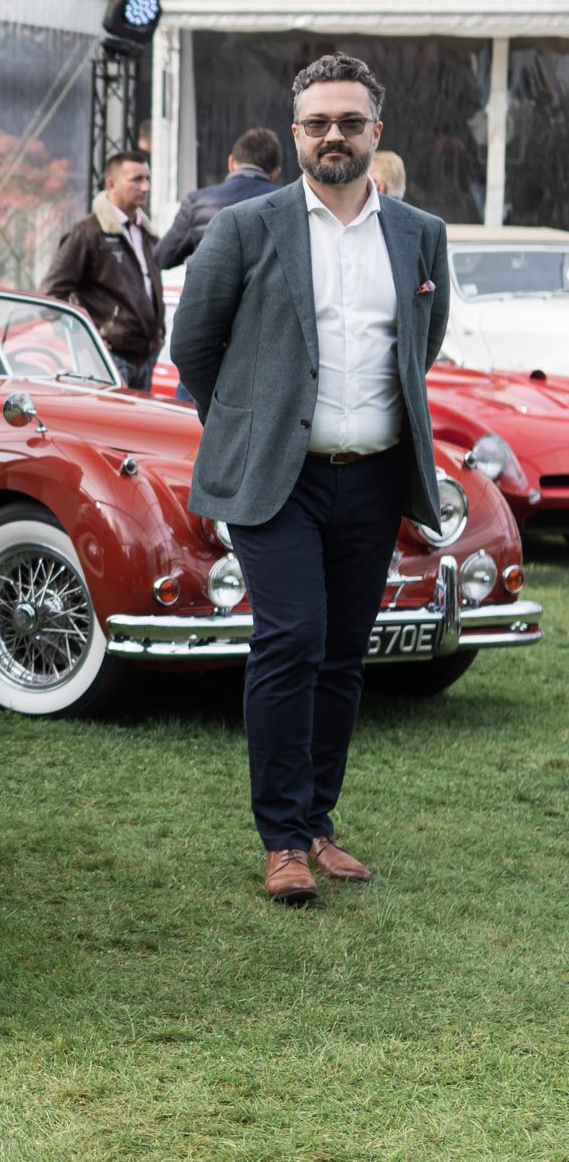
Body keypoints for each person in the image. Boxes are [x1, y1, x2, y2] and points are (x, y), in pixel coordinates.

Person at [171, 53, 449, 905]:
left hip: (371, 479)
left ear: (377, 131)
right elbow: (194, 343)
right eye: (319, 123)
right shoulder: (247, 228)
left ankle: (320, 824)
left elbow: (421, 344)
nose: (335, 135)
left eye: (351, 122)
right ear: (295, 135)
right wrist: (250, 422)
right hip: (275, 481)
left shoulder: (418, 234)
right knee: (291, 638)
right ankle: (282, 838)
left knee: (342, 654)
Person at [42, 149, 162, 390]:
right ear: (111, 183)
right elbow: (51, 296)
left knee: (136, 428)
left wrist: (159, 335)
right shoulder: (87, 233)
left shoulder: (145, 232)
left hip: (145, 356)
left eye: (147, 179)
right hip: (109, 359)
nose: (145, 187)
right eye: (137, 180)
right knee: (115, 427)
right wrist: (84, 339)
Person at [151, 128, 282, 271]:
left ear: (231, 162)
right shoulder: (286, 202)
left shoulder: (196, 203)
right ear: (275, 172)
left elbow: (162, 257)